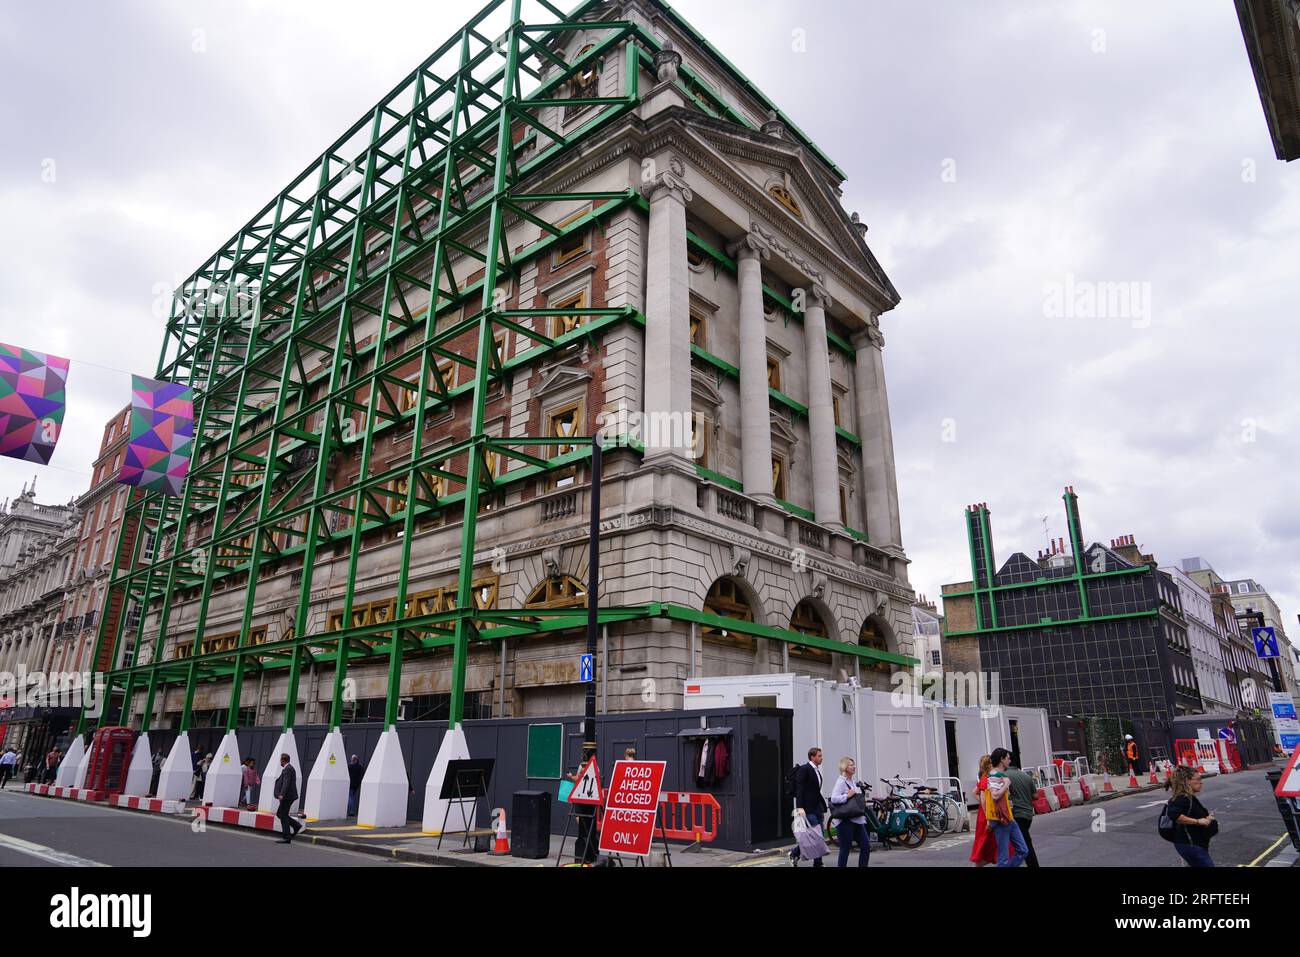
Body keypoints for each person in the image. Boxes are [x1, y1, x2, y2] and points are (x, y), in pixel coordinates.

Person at [1165, 767, 1217, 867]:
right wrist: (1198, 821)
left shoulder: (1188, 797)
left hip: (1195, 844)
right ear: (1187, 781)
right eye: (1197, 779)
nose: (1201, 783)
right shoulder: (1182, 798)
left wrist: (1207, 818)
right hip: (1190, 845)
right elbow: (1174, 815)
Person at [985, 748, 1028, 867]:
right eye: (1007, 758)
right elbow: (995, 795)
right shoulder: (995, 776)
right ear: (1001, 760)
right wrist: (1006, 784)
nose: (1009, 760)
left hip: (1007, 817)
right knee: (1003, 858)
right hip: (1001, 818)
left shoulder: (999, 775)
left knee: (1023, 850)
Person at [828, 756, 870, 868]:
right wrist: (847, 795)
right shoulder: (841, 781)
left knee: (865, 846)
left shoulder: (853, 782)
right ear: (845, 767)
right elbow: (834, 798)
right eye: (851, 765)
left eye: (854, 764)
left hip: (857, 819)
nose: (854, 767)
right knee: (845, 849)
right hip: (845, 821)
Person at [789, 746, 827, 867]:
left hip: (817, 808)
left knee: (818, 836)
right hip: (807, 808)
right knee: (815, 836)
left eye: (821, 755)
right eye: (819, 756)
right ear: (812, 757)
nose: (822, 758)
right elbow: (800, 790)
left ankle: (817, 862)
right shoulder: (804, 769)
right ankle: (795, 853)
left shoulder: (816, 770)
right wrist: (799, 808)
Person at [1005, 761, 1039, 867]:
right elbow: (1036, 796)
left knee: (1024, 845)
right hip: (1028, 814)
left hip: (1016, 813)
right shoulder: (1026, 776)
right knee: (1023, 841)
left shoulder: (1005, 775)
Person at [969, 754, 997, 866]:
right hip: (986, 815)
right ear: (990, 764)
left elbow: (974, 792)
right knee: (987, 841)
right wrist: (988, 816)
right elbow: (984, 800)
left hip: (983, 814)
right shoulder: (987, 779)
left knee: (984, 841)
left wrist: (981, 801)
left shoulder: (983, 777)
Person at [273, 754, 302, 844]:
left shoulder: (288, 769)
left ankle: (287, 837)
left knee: (283, 815)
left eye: (280, 760)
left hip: (287, 796)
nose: (280, 762)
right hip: (288, 796)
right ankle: (296, 825)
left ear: (283, 760)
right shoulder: (288, 768)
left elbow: (286, 782)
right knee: (280, 814)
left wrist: (281, 794)